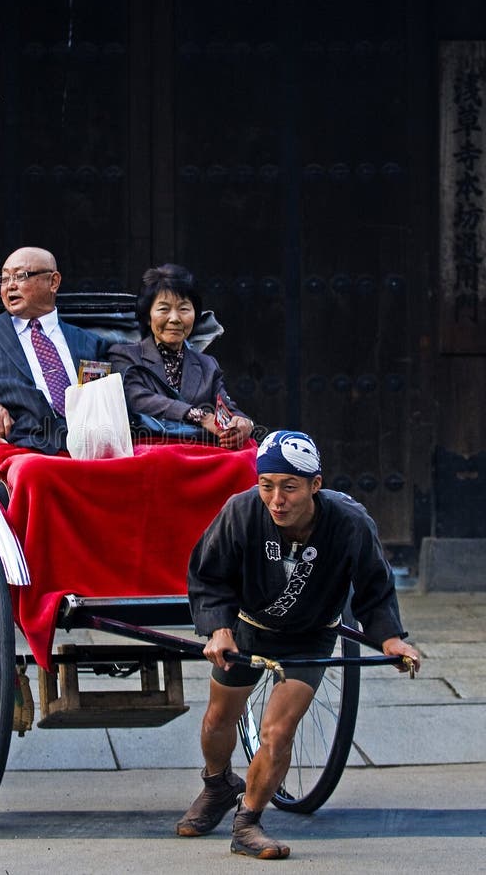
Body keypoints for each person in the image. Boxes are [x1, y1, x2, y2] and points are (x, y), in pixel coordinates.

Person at [178, 429, 421, 860]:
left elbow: (374, 586)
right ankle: (217, 786)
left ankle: (247, 822)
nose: (276, 500)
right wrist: (218, 628)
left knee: (278, 731)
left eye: (289, 488)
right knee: (218, 720)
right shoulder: (241, 512)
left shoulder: (349, 523)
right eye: (266, 486)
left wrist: (391, 639)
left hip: (310, 634)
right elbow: (208, 575)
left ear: (315, 485)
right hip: (248, 627)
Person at [0, 246, 111, 452]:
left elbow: (101, 402)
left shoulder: (90, 343)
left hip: (88, 447)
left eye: (20, 276)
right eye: (4, 279)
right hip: (26, 447)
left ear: (53, 282)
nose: (10, 286)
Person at [109, 264, 254, 450]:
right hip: (146, 460)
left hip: (197, 462)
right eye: (164, 309)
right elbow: (137, 399)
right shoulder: (124, 356)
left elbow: (227, 408)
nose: (175, 318)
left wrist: (243, 425)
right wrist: (200, 416)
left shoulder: (207, 366)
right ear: (147, 316)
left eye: (184, 309)